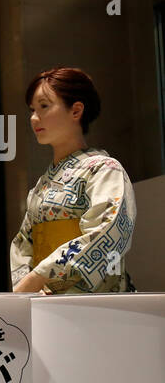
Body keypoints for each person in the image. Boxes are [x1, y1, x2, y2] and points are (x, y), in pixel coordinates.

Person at [10, 68, 136, 294]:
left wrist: (39, 276)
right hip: (42, 301)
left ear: (76, 110)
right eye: (32, 110)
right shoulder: (40, 186)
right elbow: (23, 245)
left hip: (96, 304)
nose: (34, 117)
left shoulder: (104, 170)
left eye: (44, 106)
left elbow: (107, 232)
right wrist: (26, 286)